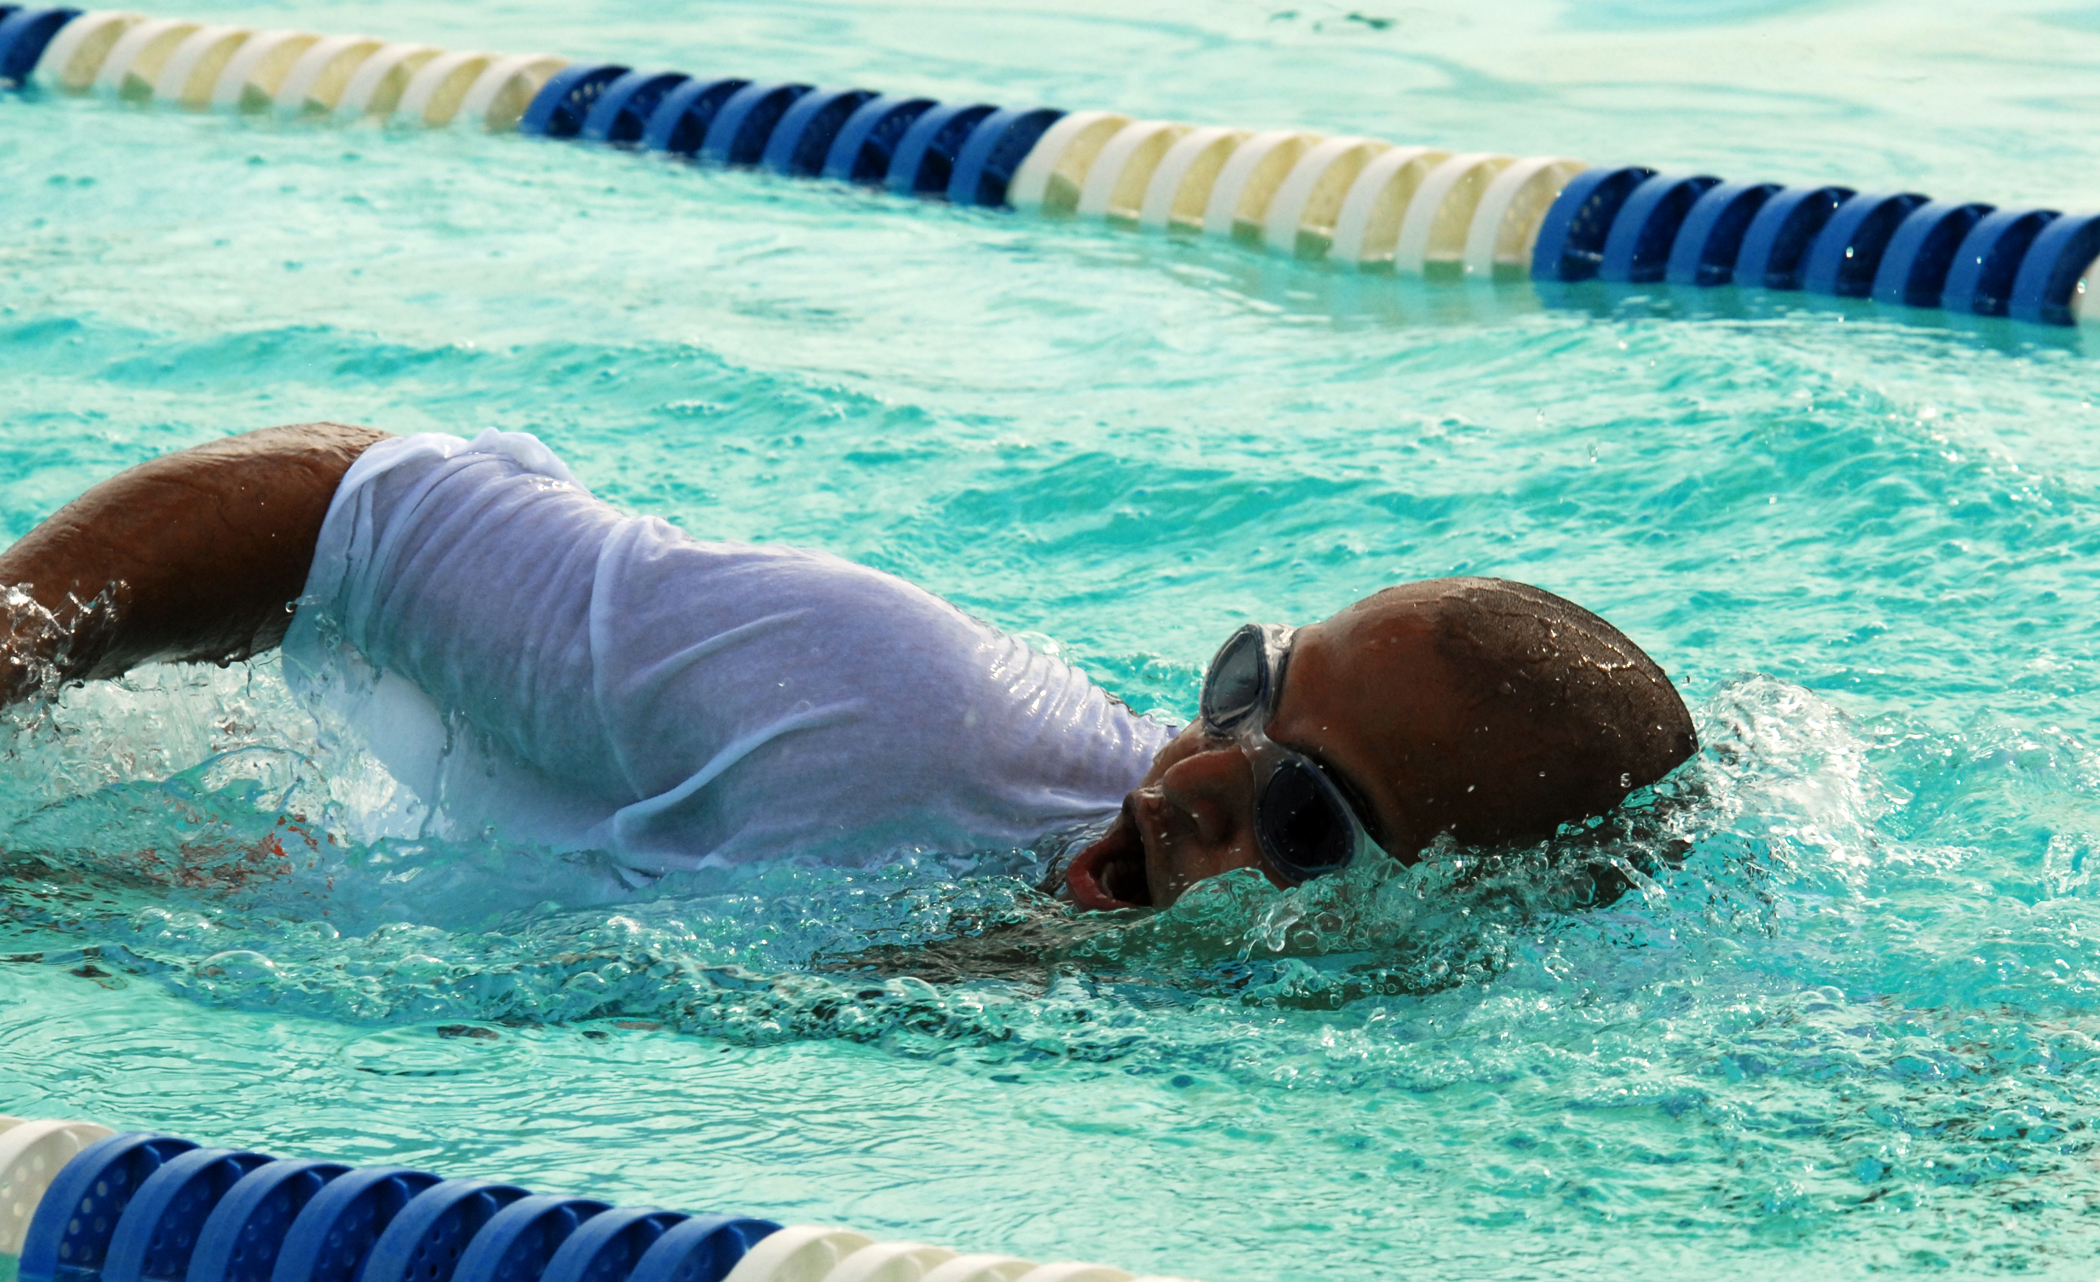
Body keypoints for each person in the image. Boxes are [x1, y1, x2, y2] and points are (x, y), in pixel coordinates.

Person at [0, 424, 1699, 910]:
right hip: (252, 876)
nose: (1191, 782)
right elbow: (357, 513)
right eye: (1243, 695)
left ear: (1462, 931)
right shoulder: (881, 711)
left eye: (1308, 817)